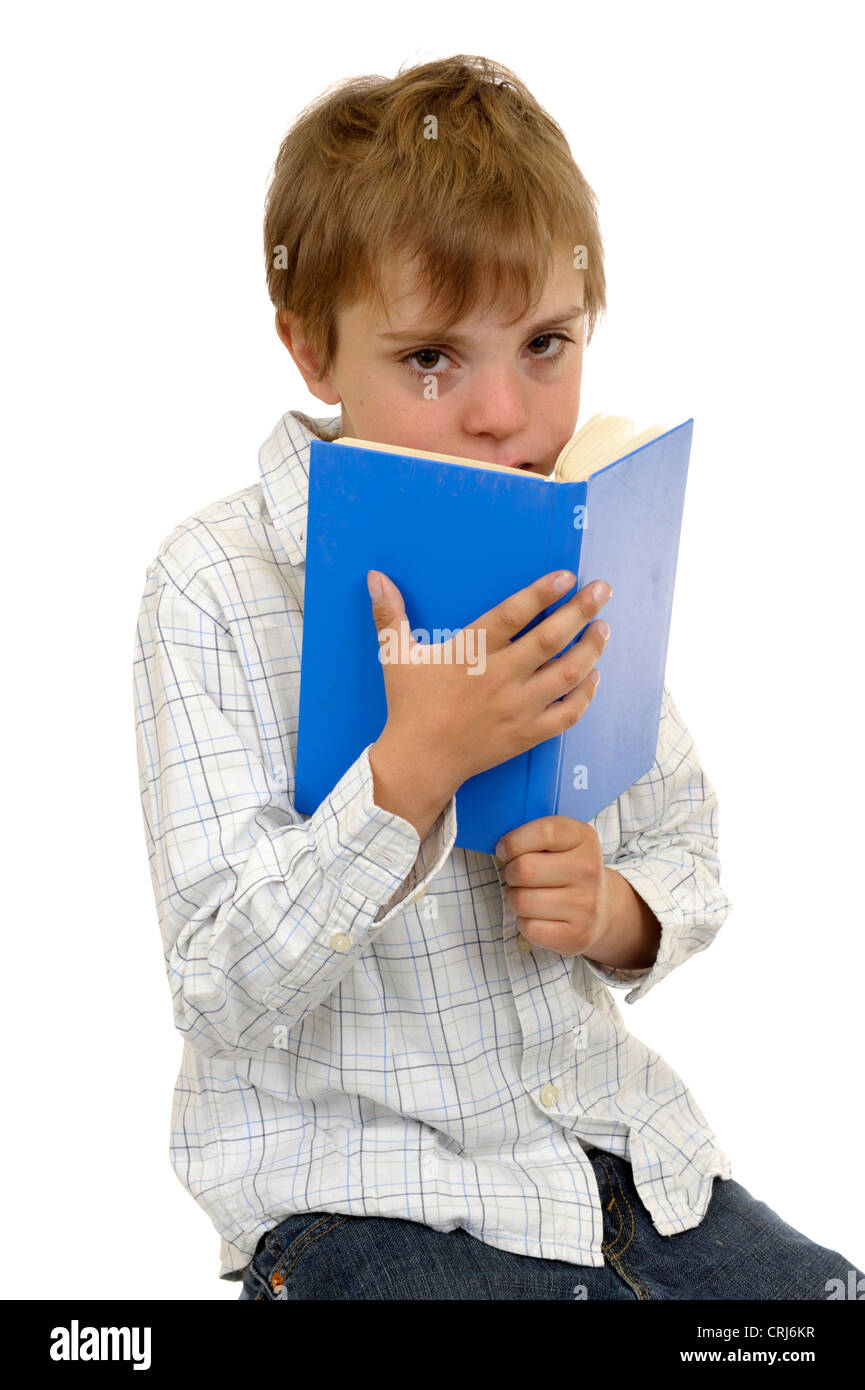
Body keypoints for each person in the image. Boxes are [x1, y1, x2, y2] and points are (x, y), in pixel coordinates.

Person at [133, 53, 862, 1300]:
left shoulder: (559, 541)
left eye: (544, 343)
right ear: (312, 349)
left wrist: (615, 907)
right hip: (363, 1194)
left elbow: (680, 830)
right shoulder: (218, 581)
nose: (501, 414)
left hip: (613, 1162)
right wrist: (410, 771)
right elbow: (217, 985)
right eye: (429, 359)